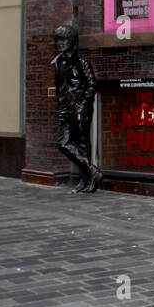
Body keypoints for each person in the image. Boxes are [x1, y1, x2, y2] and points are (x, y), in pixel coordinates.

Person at [52, 23, 103, 193]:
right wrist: (62, 108)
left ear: (72, 40)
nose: (60, 43)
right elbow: (59, 89)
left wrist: (81, 105)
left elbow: (92, 85)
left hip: (80, 109)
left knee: (82, 144)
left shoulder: (81, 62)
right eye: (58, 40)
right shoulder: (57, 62)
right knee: (63, 143)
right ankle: (92, 171)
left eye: (63, 40)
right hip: (66, 109)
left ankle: (86, 180)